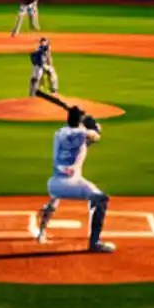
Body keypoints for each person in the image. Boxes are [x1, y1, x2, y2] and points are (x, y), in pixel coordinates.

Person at [35, 106, 114, 253]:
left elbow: (84, 143)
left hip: (55, 183)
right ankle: (95, 242)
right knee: (101, 199)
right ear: (80, 121)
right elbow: (95, 136)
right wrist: (94, 127)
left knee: (53, 202)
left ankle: (41, 232)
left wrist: (88, 126)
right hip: (72, 183)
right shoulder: (82, 133)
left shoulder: (59, 133)